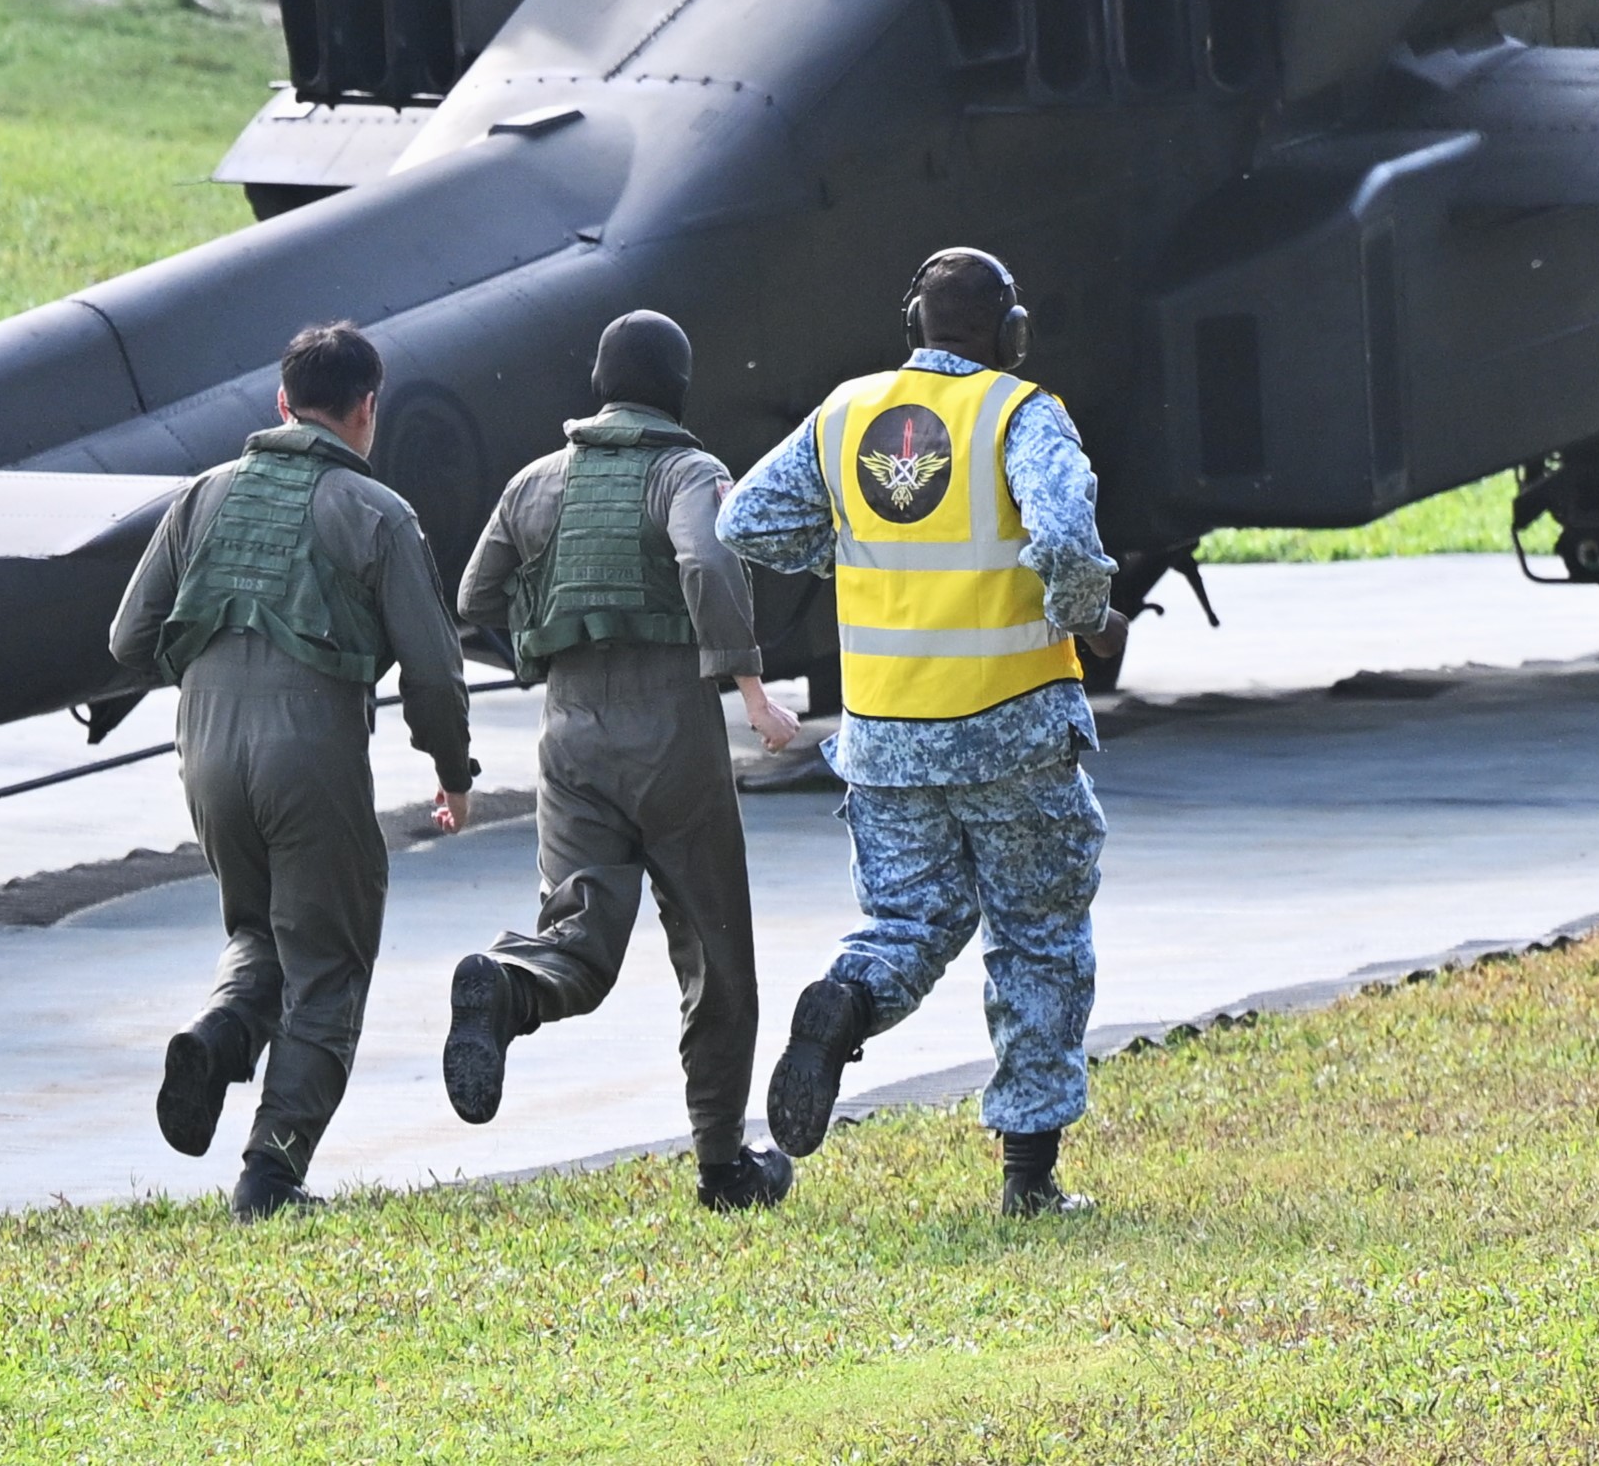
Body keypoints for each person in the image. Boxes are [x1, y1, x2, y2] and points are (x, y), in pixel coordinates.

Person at [722, 247, 1118, 1218]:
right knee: (1038, 937)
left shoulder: (849, 411)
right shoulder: (1022, 413)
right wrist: (1081, 611)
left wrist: (841, 548)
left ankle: (844, 1003)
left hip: (889, 733)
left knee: (908, 920)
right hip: (1012, 730)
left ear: (916, 324)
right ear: (1010, 330)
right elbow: (1067, 539)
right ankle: (1029, 1175)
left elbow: (744, 520)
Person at [438, 309, 811, 1207]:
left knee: (579, 933)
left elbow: (475, 593)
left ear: (599, 385)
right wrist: (750, 687)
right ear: (678, 389)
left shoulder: (536, 481)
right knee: (716, 954)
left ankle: (506, 983)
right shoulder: (688, 470)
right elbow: (710, 565)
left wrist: (555, 632)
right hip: (670, 730)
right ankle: (723, 1165)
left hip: (569, 733)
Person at [108, 320, 480, 1216]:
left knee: (262, 933)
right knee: (330, 961)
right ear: (366, 411)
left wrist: (212, 676)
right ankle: (271, 1175)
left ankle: (220, 1032)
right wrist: (452, 767)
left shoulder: (202, 495)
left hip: (204, 753)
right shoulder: (378, 514)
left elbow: (127, 640)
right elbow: (433, 668)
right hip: (307, 751)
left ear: (281, 404)